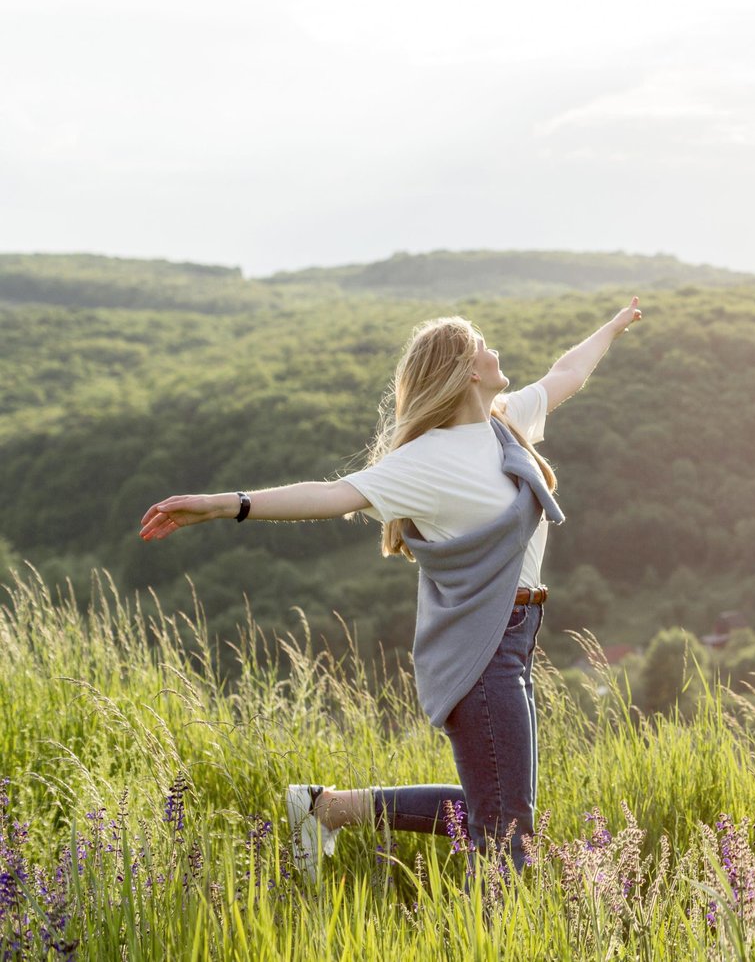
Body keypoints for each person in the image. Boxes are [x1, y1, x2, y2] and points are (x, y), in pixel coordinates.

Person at [139, 298, 643, 880]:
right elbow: (330, 496)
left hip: (517, 640)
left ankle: (326, 809)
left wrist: (612, 325)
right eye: (483, 343)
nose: (495, 348)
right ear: (466, 369)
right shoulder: (424, 462)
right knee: (506, 835)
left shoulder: (505, 422)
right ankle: (497, 935)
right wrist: (226, 505)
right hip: (483, 651)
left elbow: (567, 374)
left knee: (499, 811)